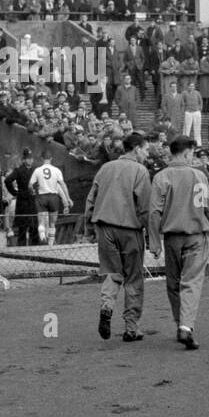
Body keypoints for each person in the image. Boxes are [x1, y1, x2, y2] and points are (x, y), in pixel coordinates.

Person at [148, 134, 209, 350]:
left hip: (172, 238)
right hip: (197, 236)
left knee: (173, 284)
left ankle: (180, 323)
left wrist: (154, 242)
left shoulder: (161, 177)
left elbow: (153, 212)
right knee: (191, 282)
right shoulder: (199, 176)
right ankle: (186, 327)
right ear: (187, 153)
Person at [86, 131, 151, 342]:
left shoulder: (105, 168)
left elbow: (91, 199)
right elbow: (144, 207)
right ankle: (131, 328)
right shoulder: (140, 171)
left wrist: (90, 226)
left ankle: (106, 306)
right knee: (133, 278)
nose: (147, 154)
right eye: (146, 150)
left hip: (104, 227)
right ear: (137, 148)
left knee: (112, 273)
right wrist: (149, 232)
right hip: (130, 229)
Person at [29, 150, 72, 244]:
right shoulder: (57, 170)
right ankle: (50, 244)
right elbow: (62, 185)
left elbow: (30, 185)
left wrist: (32, 191)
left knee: (41, 222)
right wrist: (68, 199)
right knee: (52, 223)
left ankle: (43, 237)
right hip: (53, 197)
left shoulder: (37, 170)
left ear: (42, 159)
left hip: (41, 197)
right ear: (51, 159)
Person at [4, 148, 39, 246]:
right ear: (24, 159)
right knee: (22, 228)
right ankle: (21, 249)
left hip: (32, 201)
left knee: (34, 226)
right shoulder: (19, 170)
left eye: (31, 158)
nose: (30, 160)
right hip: (22, 202)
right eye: (28, 158)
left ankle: (35, 248)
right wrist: (14, 192)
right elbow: (7, 181)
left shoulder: (35, 170)